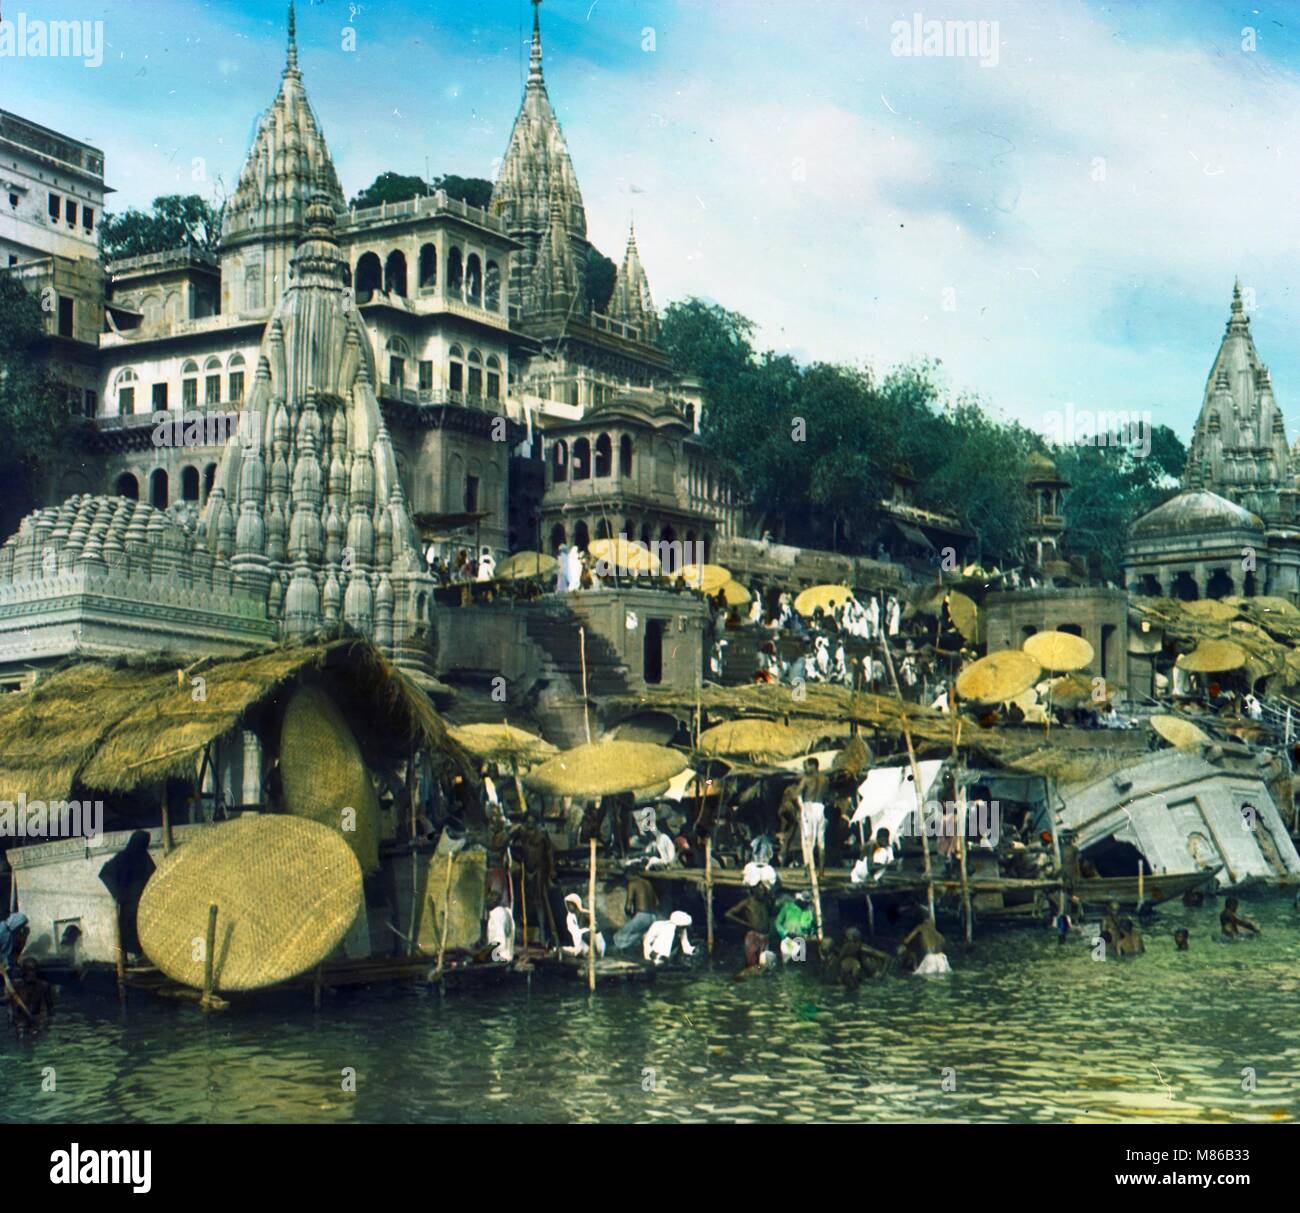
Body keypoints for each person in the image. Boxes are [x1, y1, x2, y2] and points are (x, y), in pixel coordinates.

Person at [98, 829, 156, 959]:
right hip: (131, 903)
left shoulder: (139, 858)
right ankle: (127, 962)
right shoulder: (128, 857)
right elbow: (105, 873)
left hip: (138, 903)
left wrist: (119, 894)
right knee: (129, 932)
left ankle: (135, 959)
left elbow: (154, 878)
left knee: (136, 932)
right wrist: (118, 893)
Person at [796, 757, 829, 872]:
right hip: (820, 807)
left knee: (807, 839)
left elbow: (797, 793)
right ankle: (821, 870)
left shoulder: (806, 778)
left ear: (814, 766)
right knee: (821, 840)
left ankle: (808, 867)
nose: (805, 768)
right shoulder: (825, 779)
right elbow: (826, 796)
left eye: (807, 765)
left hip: (808, 807)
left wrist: (801, 806)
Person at [8, 957, 53, 1036]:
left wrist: (46, 1023)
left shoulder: (44, 986)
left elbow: (50, 1008)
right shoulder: (17, 986)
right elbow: (10, 1004)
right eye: (28, 970)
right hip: (20, 1020)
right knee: (20, 1031)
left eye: (33, 970)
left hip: (36, 1019)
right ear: (23, 971)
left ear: (37, 971)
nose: (31, 973)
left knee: (35, 1034)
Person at [613, 874, 659, 951]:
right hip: (652, 916)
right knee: (639, 933)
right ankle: (638, 941)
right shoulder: (648, 883)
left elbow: (628, 905)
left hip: (642, 916)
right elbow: (657, 902)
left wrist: (629, 914)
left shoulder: (632, 883)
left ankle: (619, 952)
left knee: (618, 936)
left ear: (629, 875)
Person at [900, 911, 951, 975]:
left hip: (930, 959)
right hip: (942, 959)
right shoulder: (936, 932)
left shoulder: (920, 927)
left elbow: (906, 941)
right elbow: (944, 943)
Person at [562, 893, 605, 958]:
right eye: (567, 904)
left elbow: (595, 930)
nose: (568, 906)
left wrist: (592, 926)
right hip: (580, 943)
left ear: (575, 905)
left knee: (598, 945)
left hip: (592, 940)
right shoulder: (570, 916)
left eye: (570, 904)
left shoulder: (585, 914)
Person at [484, 892, 515, 963]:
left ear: (494, 901)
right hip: (507, 956)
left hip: (499, 958)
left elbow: (499, 940)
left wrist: (484, 952)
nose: (485, 903)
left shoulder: (496, 914)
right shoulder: (506, 912)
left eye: (488, 900)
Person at [0, 911, 29, 977]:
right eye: (21, 926)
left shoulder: (13, 934)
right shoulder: (2, 930)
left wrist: (24, 937)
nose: (21, 929)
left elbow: (16, 952)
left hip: (7, 968)